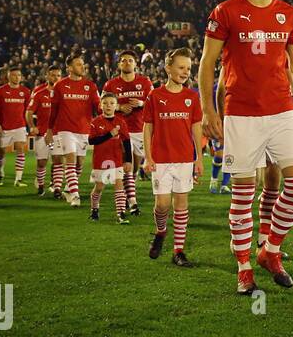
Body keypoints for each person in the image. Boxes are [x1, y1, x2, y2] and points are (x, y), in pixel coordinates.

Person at [199, 0, 293, 295]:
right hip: (241, 114)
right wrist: (208, 109)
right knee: (242, 196)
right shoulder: (226, 11)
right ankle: (244, 267)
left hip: (281, 110)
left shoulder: (289, 13)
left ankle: (271, 251)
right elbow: (207, 64)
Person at [144, 48, 205, 266]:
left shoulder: (192, 97)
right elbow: (148, 127)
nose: (185, 71)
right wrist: (148, 157)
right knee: (162, 205)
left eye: (188, 68)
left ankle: (178, 251)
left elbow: (196, 128)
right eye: (181, 67)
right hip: (161, 159)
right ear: (168, 68)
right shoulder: (155, 95)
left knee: (181, 204)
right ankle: (161, 232)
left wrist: (198, 158)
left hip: (185, 159)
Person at [46, 53, 100, 208]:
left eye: (82, 64)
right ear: (69, 68)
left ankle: (69, 189)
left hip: (83, 129)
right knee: (70, 159)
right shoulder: (60, 85)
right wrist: (50, 129)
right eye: (78, 64)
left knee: (79, 163)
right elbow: (54, 110)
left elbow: (97, 106)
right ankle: (75, 195)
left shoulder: (90, 86)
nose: (82, 67)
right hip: (65, 129)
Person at [103, 51, 154, 214]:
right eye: (123, 60)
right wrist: (118, 107)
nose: (126, 63)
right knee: (128, 164)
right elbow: (100, 105)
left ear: (135, 64)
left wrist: (141, 103)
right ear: (119, 65)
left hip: (140, 130)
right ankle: (130, 200)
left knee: (133, 168)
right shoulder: (110, 85)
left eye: (130, 60)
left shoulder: (145, 82)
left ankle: (126, 193)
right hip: (121, 130)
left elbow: (153, 104)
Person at [86, 92, 130, 223]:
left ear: (116, 106)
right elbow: (91, 141)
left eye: (111, 103)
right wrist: (109, 135)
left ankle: (121, 214)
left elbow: (127, 141)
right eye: (105, 103)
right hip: (101, 159)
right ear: (100, 105)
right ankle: (94, 209)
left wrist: (128, 160)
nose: (108, 106)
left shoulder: (120, 122)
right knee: (99, 187)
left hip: (116, 159)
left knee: (119, 185)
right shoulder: (95, 122)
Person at [0, 65, 32, 186]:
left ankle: (18, 179)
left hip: (20, 126)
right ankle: (0, 173)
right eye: (14, 75)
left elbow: (28, 110)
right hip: (5, 127)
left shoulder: (25, 91)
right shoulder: (0, 91)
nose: (17, 77)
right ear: (8, 76)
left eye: (19, 75)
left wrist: (29, 124)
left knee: (20, 150)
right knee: (2, 152)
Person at [26, 65, 60, 196]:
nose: (55, 78)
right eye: (53, 75)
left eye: (58, 75)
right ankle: (40, 185)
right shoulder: (39, 94)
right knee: (42, 163)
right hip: (42, 133)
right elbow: (29, 112)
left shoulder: (63, 94)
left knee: (57, 161)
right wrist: (32, 126)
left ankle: (57, 189)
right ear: (47, 76)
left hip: (58, 134)